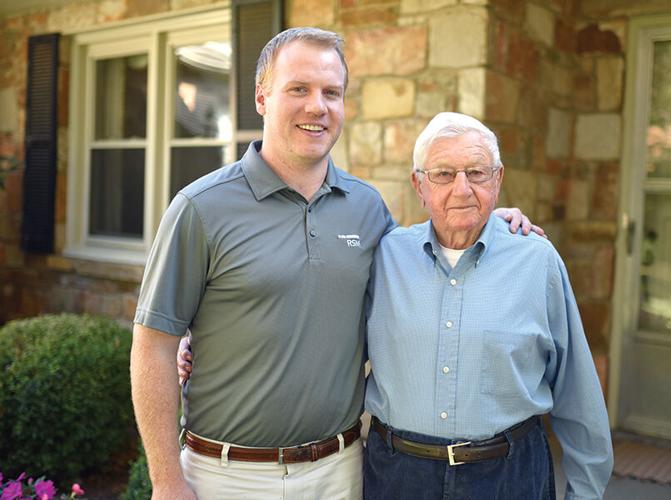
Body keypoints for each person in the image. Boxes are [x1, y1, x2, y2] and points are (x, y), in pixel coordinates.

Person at [131, 28, 536, 500]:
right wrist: (166, 481)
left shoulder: (367, 208)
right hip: (227, 475)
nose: (317, 107)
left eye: (331, 92)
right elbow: (153, 346)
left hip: (340, 470)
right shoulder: (200, 207)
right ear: (262, 97)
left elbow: (424, 269)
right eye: (298, 89)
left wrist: (488, 220)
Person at [362, 112, 613, 499]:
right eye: (443, 174)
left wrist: (585, 492)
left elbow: (577, 395)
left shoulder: (537, 261)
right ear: (419, 185)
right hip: (399, 476)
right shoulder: (384, 256)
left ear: (497, 181)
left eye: (476, 173)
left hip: (508, 478)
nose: (462, 189)